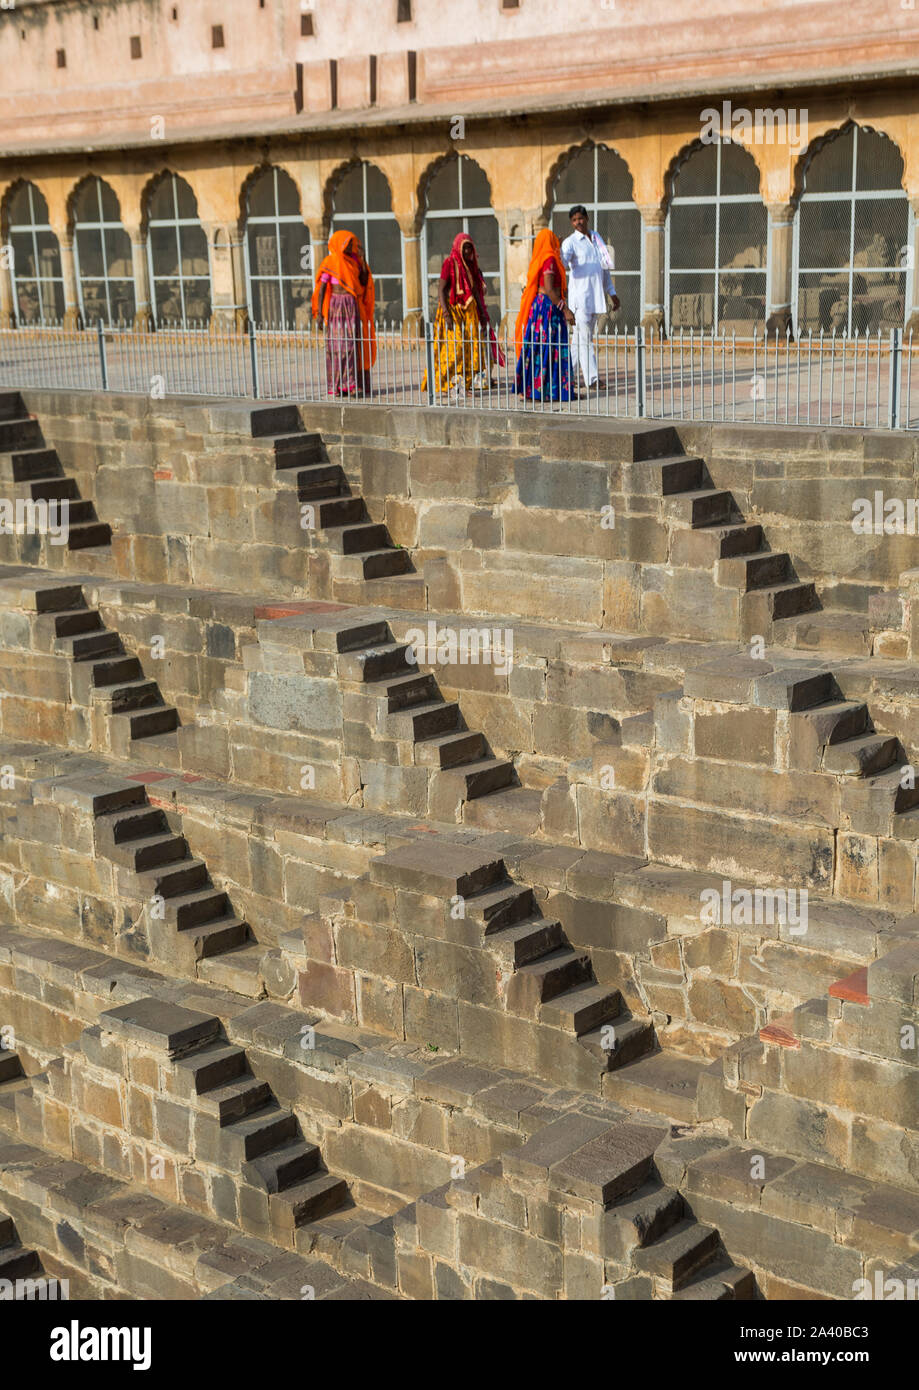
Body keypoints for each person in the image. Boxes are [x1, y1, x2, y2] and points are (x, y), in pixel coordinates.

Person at [423, 232, 503, 398]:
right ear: (457, 248)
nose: (467, 251)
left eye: (469, 247)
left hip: (470, 312)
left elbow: (475, 291)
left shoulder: (471, 266)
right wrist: (446, 314)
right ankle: (451, 385)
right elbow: (441, 289)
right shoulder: (449, 263)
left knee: (470, 351)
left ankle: (462, 387)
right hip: (453, 311)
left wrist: (482, 313)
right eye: (464, 247)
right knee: (455, 350)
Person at [560, 205, 620, 391]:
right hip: (580, 300)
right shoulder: (570, 242)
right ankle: (592, 379)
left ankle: (566, 376)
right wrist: (557, 251)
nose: (578, 222)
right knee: (586, 340)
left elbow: (604, 269)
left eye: (580, 218)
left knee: (579, 341)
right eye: (574, 220)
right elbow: (561, 263)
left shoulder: (597, 238)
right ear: (571, 223)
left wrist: (612, 293)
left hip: (596, 298)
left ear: (586, 218)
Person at [311, 230, 376, 397]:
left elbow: (363, 282)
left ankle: (352, 384)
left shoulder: (355, 262)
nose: (349, 247)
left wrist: (363, 259)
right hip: (336, 307)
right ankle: (338, 385)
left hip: (352, 307)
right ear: (338, 244)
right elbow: (322, 288)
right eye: (346, 244)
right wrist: (319, 314)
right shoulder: (330, 262)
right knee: (336, 347)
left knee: (352, 346)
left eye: (351, 244)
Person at [514, 227, 574, 402]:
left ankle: (538, 391)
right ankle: (549, 392)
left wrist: (558, 243)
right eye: (554, 239)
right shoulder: (549, 260)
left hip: (542, 307)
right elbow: (549, 289)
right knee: (550, 347)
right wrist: (565, 309)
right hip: (549, 307)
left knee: (541, 348)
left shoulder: (544, 257)